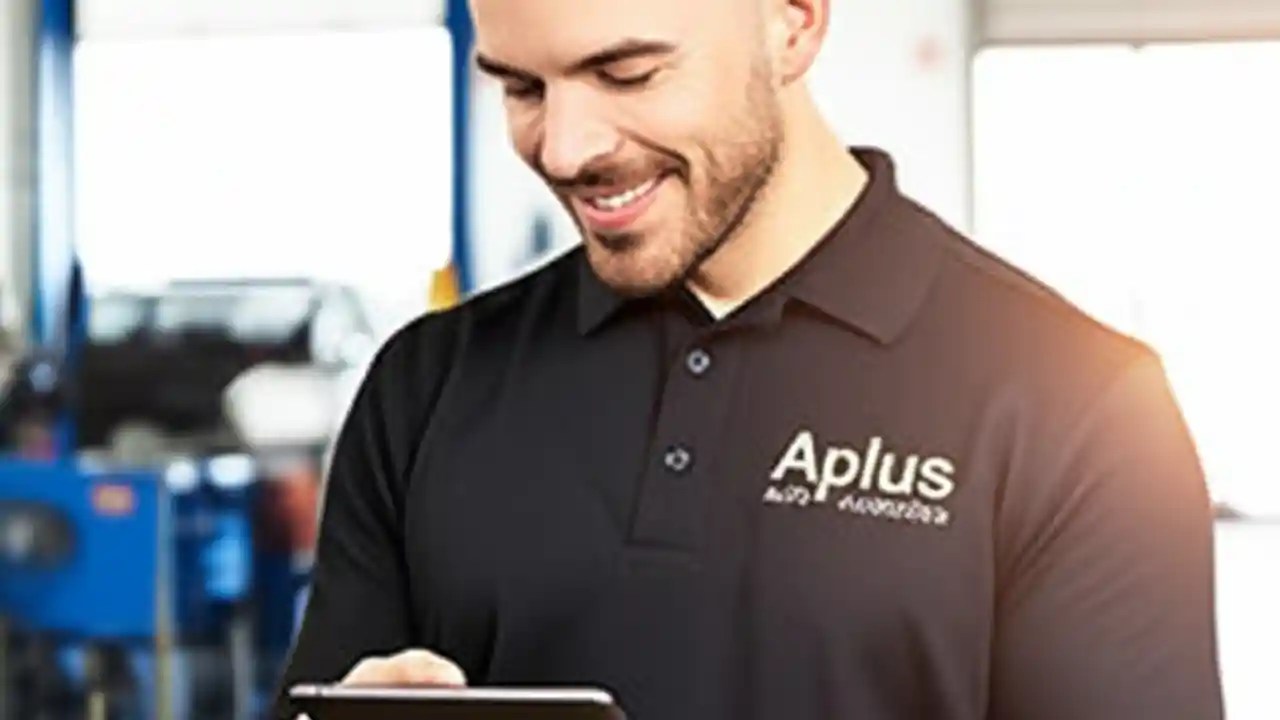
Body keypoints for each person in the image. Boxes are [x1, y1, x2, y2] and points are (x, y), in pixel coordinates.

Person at [273, 0, 1225, 718]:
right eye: (522, 87)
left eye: (628, 73)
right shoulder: (426, 386)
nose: (564, 147)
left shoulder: (1085, 405)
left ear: (794, 21)